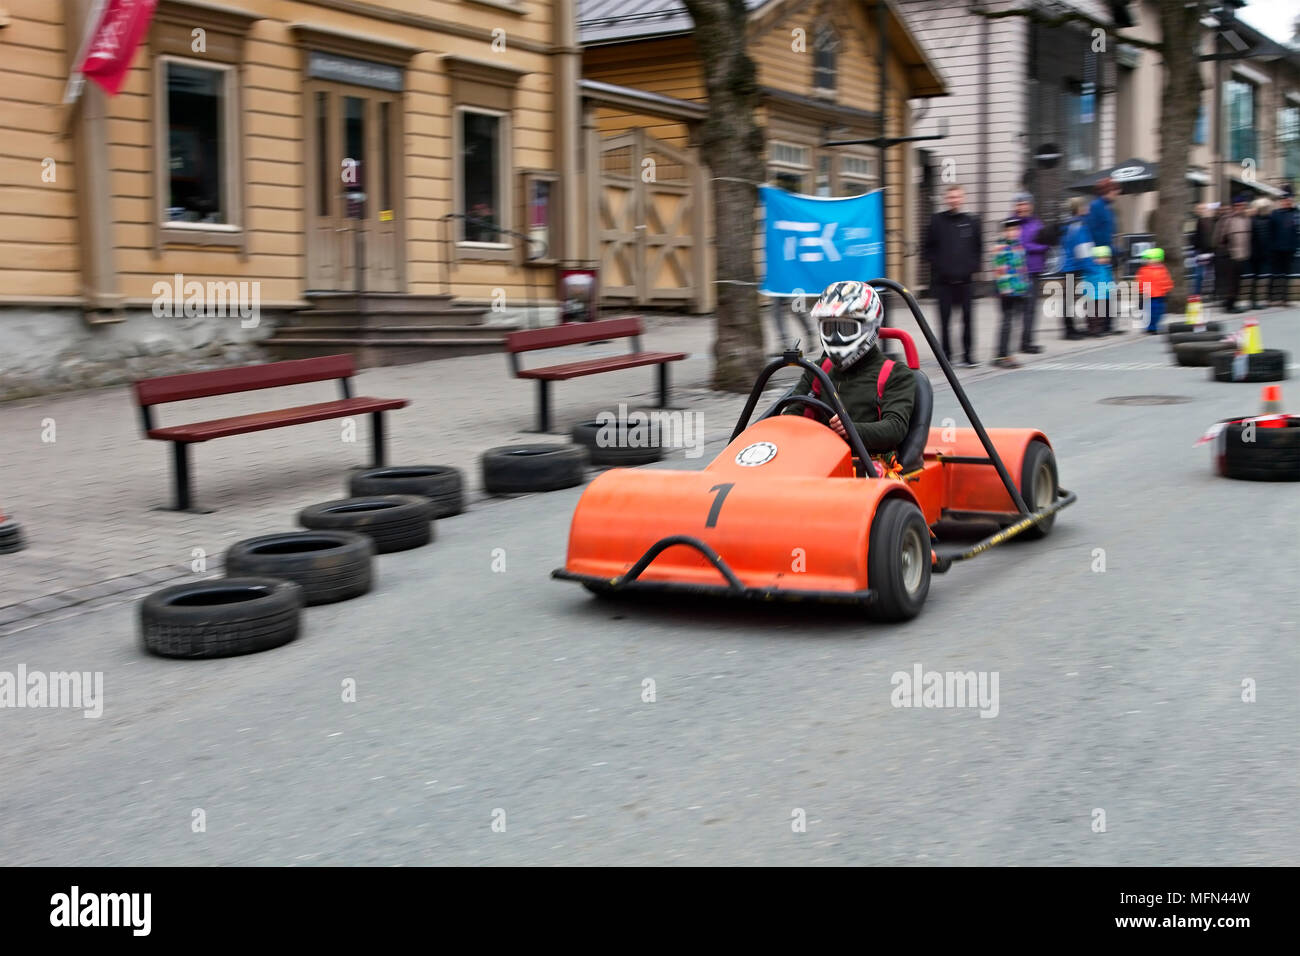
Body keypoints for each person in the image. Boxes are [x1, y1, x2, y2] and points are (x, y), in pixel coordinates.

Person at [784, 280, 916, 458]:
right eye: (829, 328)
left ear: (869, 327)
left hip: (868, 467)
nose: (836, 338)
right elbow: (791, 414)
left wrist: (851, 428)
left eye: (846, 328)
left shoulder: (896, 374)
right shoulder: (817, 370)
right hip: (817, 460)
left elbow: (894, 428)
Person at [923, 184, 982, 368]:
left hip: (965, 282)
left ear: (962, 198)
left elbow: (978, 249)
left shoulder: (972, 222)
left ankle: (968, 355)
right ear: (945, 199)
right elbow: (927, 250)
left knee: (968, 320)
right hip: (943, 282)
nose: (954, 200)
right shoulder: (936, 221)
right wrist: (940, 266)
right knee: (944, 321)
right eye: (951, 197)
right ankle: (946, 356)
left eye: (957, 197)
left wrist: (971, 267)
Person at [1013, 193, 1048, 353]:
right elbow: (1021, 245)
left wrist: (1040, 246)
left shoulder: (1036, 224)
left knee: (1031, 309)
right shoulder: (1012, 224)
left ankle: (1027, 342)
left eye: (1024, 204)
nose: (1021, 207)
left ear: (1030, 206)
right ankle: (1010, 345)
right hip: (1017, 272)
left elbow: (1045, 242)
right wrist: (1038, 247)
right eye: (1019, 204)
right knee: (1014, 311)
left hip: (1034, 270)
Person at [992, 217, 1029, 368]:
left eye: (1016, 229)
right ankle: (1001, 355)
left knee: (1015, 324)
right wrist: (1006, 290)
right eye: (1010, 230)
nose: (1013, 232)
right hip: (1007, 292)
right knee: (1007, 323)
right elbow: (1000, 271)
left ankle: (1008, 354)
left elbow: (1022, 268)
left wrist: (1025, 286)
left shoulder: (1018, 246)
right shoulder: (1000, 247)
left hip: (1018, 290)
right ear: (1004, 231)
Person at [1059, 196, 1092, 339]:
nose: (1087, 208)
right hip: (1071, 266)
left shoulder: (1069, 224)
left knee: (1070, 298)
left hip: (1069, 265)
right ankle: (1069, 330)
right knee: (1069, 299)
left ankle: (1071, 328)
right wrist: (1089, 265)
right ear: (1079, 209)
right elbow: (1081, 249)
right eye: (1084, 206)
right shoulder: (1077, 225)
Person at [1214, 194, 1252, 313]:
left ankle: (1233, 303)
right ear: (1234, 206)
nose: (1240, 207)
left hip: (1242, 255)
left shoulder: (1246, 219)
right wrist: (1226, 250)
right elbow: (1219, 238)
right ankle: (1229, 305)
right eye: (1238, 205)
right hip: (1230, 255)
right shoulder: (1227, 219)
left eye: (1242, 205)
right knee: (1230, 282)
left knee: (1237, 282)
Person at [1269, 187, 1298, 306]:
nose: (1287, 202)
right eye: (1285, 200)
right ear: (1281, 201)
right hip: (1276, 249)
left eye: (1289, 199)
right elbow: (1270, 232)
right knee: (1275, 274)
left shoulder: (1296, 214)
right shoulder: (1275, 214)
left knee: (1287, 275)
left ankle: (1284, 299)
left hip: (1289, 249)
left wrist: (1295, 247)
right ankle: (1271, 298)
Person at [1135, 247, 1173, 335]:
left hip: (1160, 295)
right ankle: (1151, 327)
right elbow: (1140, 281)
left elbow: (1166, 280)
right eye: (1147, 259)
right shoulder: (1144, 270)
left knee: (1160, 311)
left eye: (1149, 259)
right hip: (1149, 296)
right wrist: (1141, 291)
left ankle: (1154, 325)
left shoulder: (1163, 269)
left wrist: (1167, 288)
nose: (1147, 261)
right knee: (1151, 312)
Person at [1248, 198, 1273, 309]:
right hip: (1257, 253)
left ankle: (1261, 300)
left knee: (1260, 277)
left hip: (1263, 253)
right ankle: (1254, 301)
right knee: (1256, 278)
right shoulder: (1253, 220)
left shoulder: (1269, 220)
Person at [1086, 245, 1115, 336]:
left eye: (1106, 257)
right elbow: (1088, 281)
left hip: (1104, 295)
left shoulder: (1107, 268)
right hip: (1094, 295)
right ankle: (1094, 329)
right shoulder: (1093, 269)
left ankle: (1101, 328)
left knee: (1103, 313)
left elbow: (1109, 280)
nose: (1104, 259)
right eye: (1101, 258)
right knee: (1094, 314)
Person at [1087, 177, 1119, 251]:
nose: (1116, 196)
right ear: (1108, 191)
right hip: (1100, 252)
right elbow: (1093, 231)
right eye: (1115, 194)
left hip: (1107, 250)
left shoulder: (1108, 207)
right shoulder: (1096, 206)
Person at [1191, 203, 1217, 298]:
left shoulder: (1209, 221)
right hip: (1202, 251)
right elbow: (1198, 237)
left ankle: (1203, 293)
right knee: (1200, 274)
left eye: (1203, 209)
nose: (1201, 211)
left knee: (1208, 274)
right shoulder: (1200, 221)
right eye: (1199, 209)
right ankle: (1197, 294)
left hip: (1207, 250)